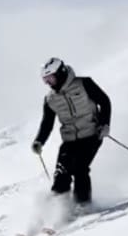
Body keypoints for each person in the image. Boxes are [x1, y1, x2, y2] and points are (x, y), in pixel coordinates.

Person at [32, 58, 111, 207]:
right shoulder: (50, 99)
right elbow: (47, 123)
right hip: (69, 140)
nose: (48, 82)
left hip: (92, 134)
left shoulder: (84, 84)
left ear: (60, 73)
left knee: (80, 169)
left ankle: (84, 206)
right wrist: (39, 141)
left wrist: (105, 124)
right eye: (45, 79)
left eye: (50, 78)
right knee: (61, 174)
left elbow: (104, 101)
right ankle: (57, 212)